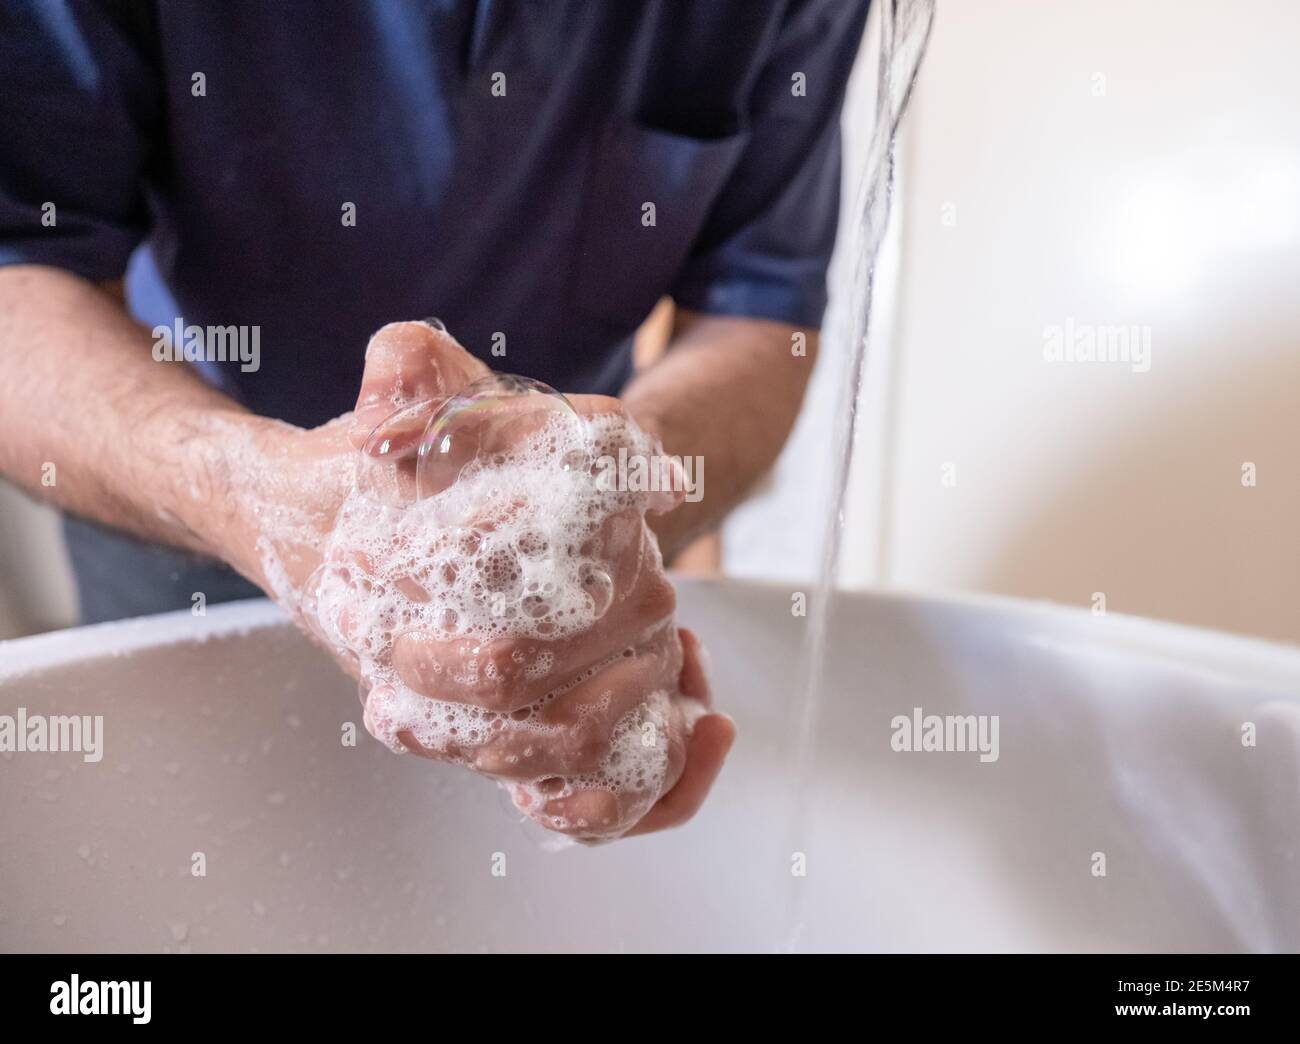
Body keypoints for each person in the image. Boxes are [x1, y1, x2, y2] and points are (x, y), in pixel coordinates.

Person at [0, 0, 870, 836]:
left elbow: (761, 315)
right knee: (187, 869)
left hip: (567, 600)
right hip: (182, 517)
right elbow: (21, 275)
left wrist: (604, 501)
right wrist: (258, 497)